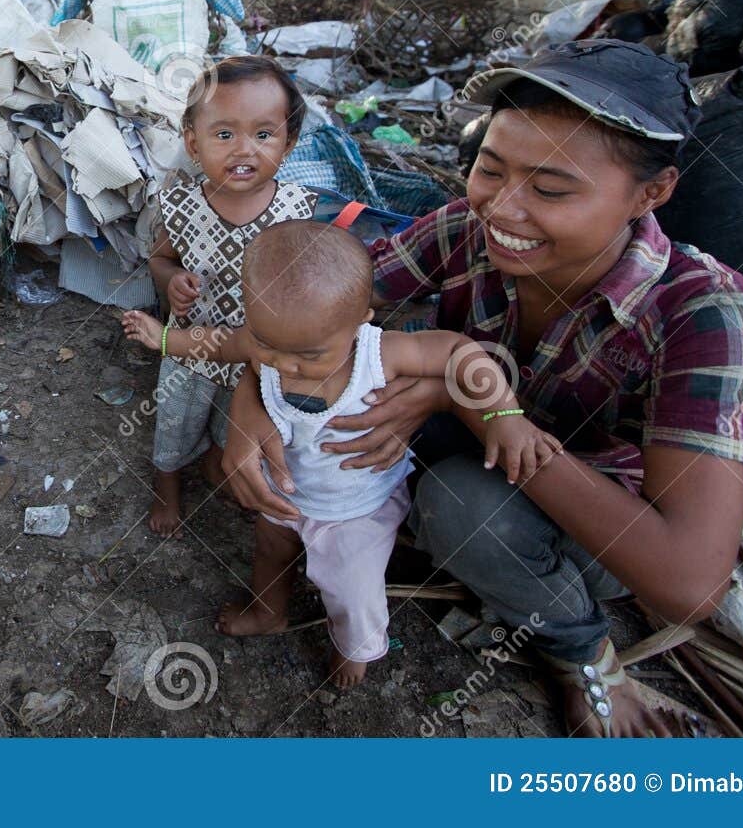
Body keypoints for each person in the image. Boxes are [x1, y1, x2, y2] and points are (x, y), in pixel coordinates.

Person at [218, 40, 743, 735]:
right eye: (490, 167)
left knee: (460, 505)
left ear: (651, 192)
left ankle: (582, 649)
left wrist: (461, 396)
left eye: (550, 188)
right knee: (309, 395)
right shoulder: (469, 229)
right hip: (476, 437)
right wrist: (245, 401)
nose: (502, 207)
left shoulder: (706, 312)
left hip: (589, 522)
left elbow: (688, 583)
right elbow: (308, 305)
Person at [123, 220, 561, 686]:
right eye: (268, 345)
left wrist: (503, 415)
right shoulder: (264, 341)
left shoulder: (381, 353)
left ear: (361, 321)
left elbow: (458, 351)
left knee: (352, 590)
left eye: (309, 355)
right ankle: (269, 611)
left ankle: (356, 647)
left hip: (358, 508)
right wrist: (163, 338)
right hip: (290, 490)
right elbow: (215, 344)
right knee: (270, 551)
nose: (285, 365)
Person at [144, 55, 314, 537]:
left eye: (263, 135)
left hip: (253, 356)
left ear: (289, 143)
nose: (244, 149)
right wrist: (171, 281)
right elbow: (161, 258)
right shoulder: (182, 205)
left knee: (229, 425)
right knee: (175, 424)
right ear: (193, 144)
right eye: (224, 135)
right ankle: (167, 485)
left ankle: (218, 464)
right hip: (190, 348)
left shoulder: (295, 211)